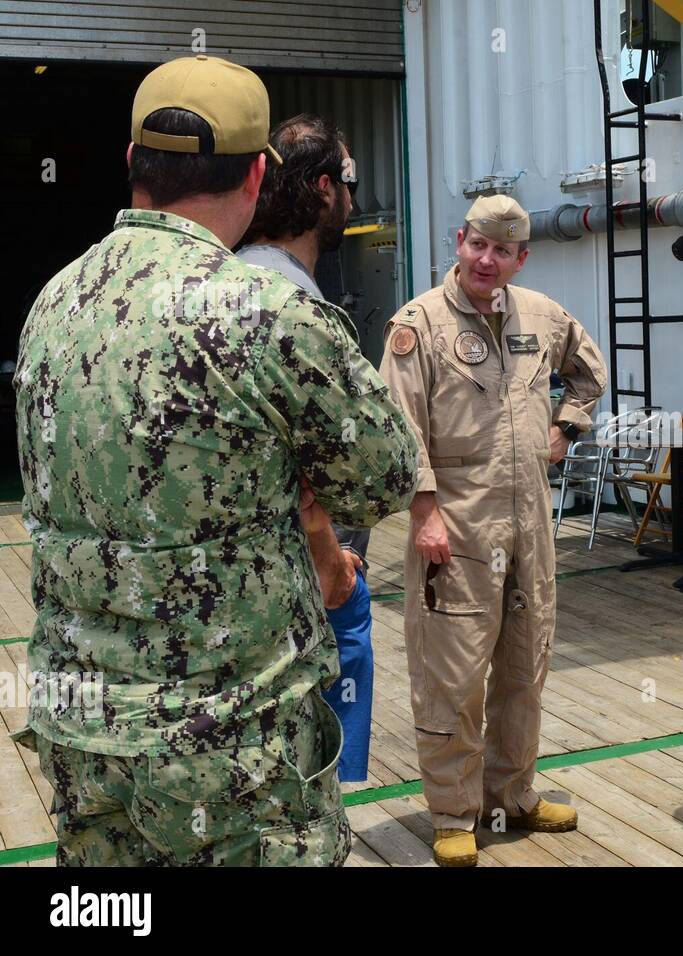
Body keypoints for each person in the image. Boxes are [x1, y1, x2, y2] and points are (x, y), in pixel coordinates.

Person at [10, 54, 418, 866]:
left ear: (133, 162)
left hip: (80, 724)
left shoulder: (52, 301)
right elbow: (386, 474)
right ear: (259, 172)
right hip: (229, 749)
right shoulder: (269, 313)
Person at [379, 195, 608, 867]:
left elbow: (589, 376)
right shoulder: (417, 325)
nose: (487, 260)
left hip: (530, 517)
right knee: (451, 672)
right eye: (478, 245)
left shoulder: (541, 315)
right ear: (460, 240)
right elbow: (399, 429)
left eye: (502, 251)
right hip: (457, 521)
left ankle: (511, 795)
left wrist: (565, 428)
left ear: (519, 257)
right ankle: (454, 811)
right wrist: (424, 513)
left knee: (524, 664)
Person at [237, 113, 376, 785]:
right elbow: (373, 470)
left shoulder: (231, 277)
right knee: (312, 784)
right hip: (307, 583)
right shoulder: (295, 303)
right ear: (324, 190)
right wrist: (331, 557)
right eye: (350, 180)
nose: (354, 197)